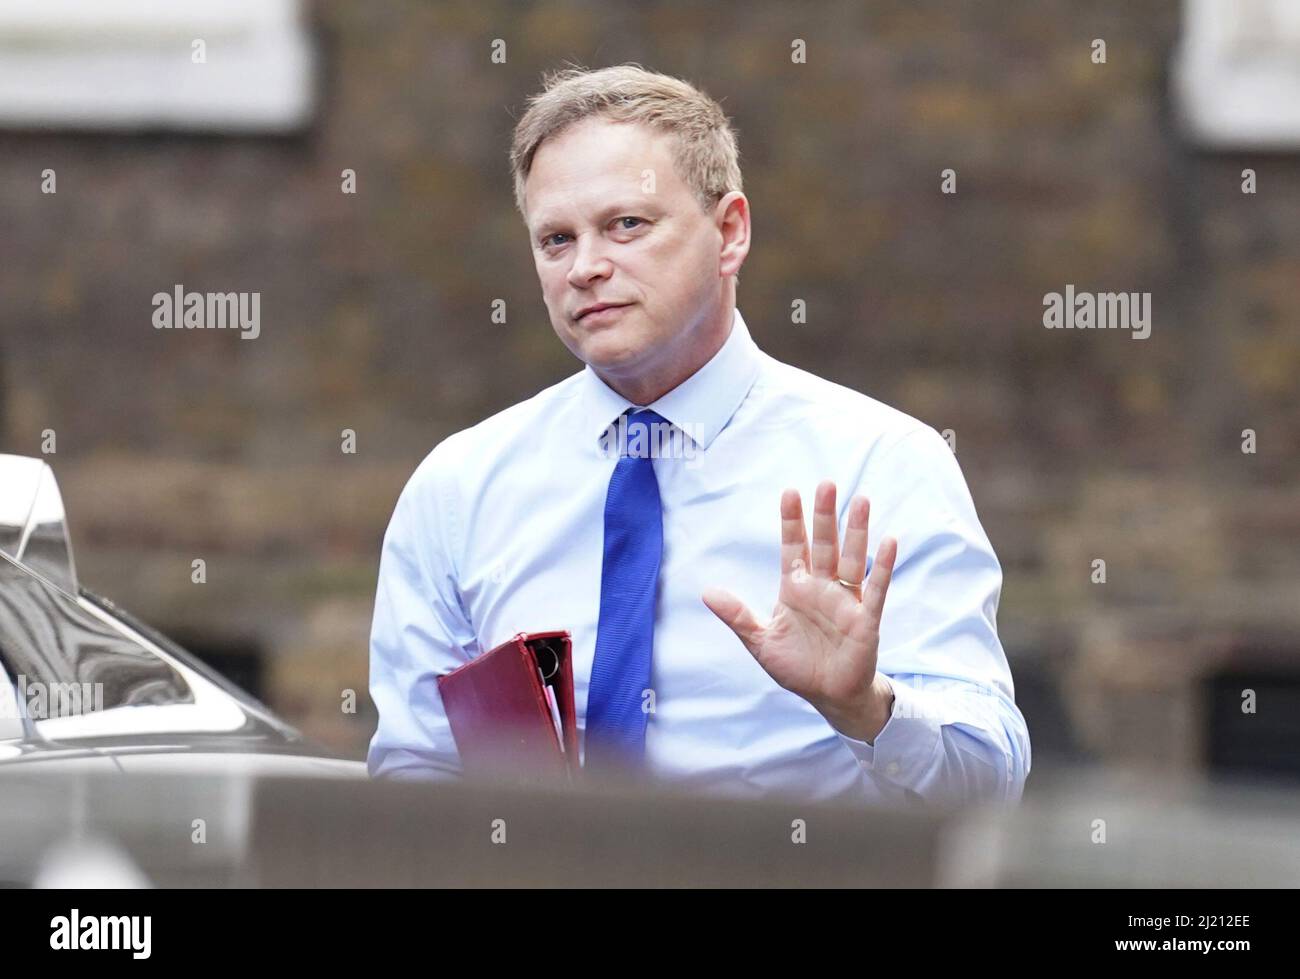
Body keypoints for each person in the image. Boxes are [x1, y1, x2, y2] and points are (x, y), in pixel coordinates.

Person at [367, 63, 1030, 806]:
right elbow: (414, 779)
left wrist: (865, 708)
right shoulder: (460, 488)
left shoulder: (881, 465)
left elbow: (988, 783)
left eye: (627, 224)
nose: (586, 267)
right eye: (555, 239)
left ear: (730, 232)